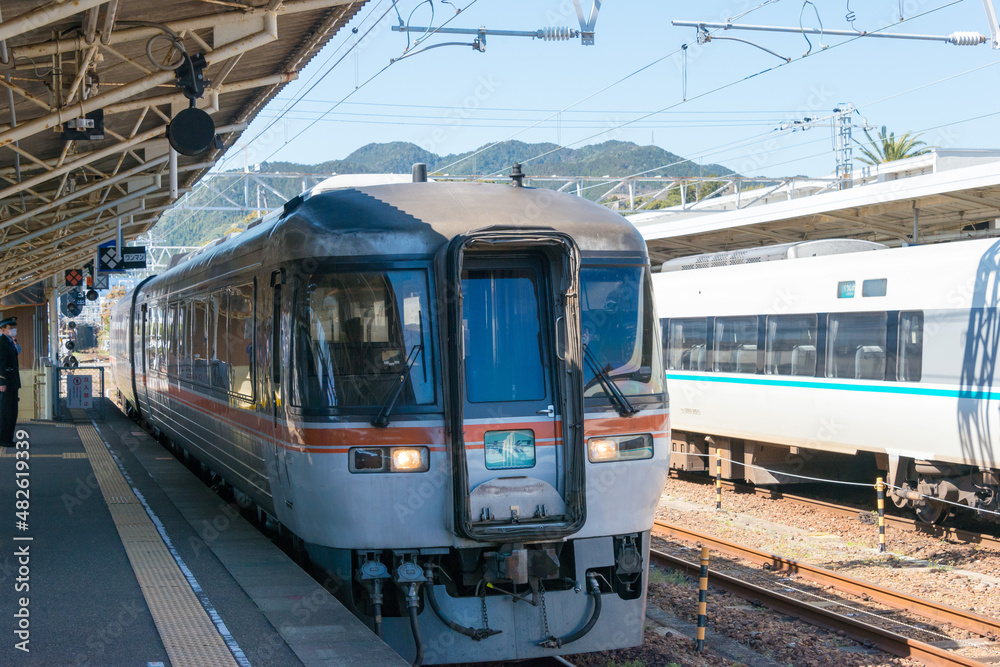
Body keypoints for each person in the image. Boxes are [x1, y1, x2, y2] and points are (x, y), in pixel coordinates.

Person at [0, 316, 21, 447]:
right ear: (2, 329)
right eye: (10, 328)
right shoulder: (1, 343)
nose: (13, 330)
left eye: (14, 327)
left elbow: (18, 352)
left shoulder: (10, 342)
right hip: (6, 382)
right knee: (6, 411)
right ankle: (3, 439)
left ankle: (8, 438)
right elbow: (0, 363)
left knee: (12, 410)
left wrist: (15, 342)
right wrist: (1, 382)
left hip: (13, 381)